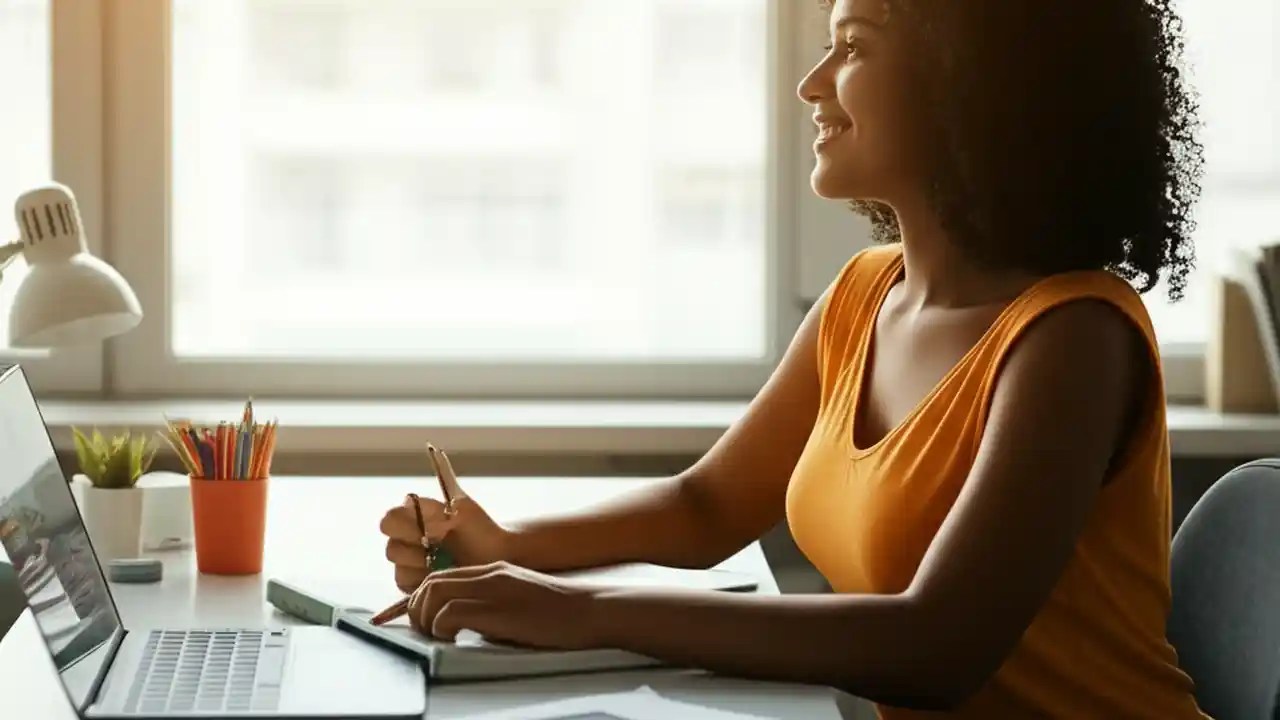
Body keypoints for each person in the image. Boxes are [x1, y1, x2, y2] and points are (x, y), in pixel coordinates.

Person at [380, 0, 1208, 716]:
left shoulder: (1072, 340)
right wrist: (510, 545)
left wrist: (585, 612)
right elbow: (708, 507)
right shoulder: (861, 296)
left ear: (975, 80)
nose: (813, 83)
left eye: (852, 47)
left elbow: (939, 645)